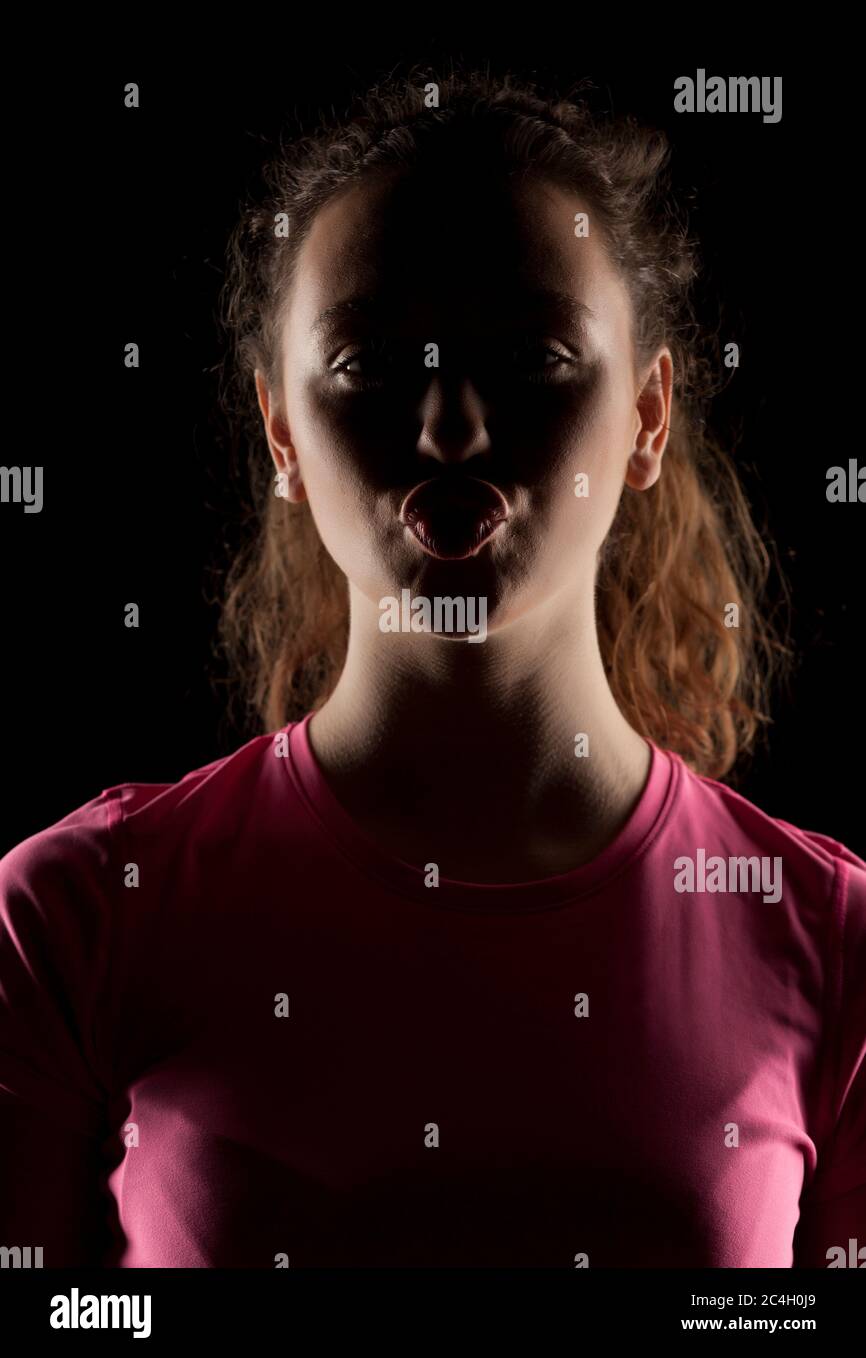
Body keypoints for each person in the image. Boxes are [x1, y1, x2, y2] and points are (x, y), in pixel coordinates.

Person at [1, 68, 863, 1269]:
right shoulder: (77, 916)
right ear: (280, 433)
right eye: (368, 362)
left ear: (649, 417)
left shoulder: (828, 943)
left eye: (532, 357)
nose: (450, 429)